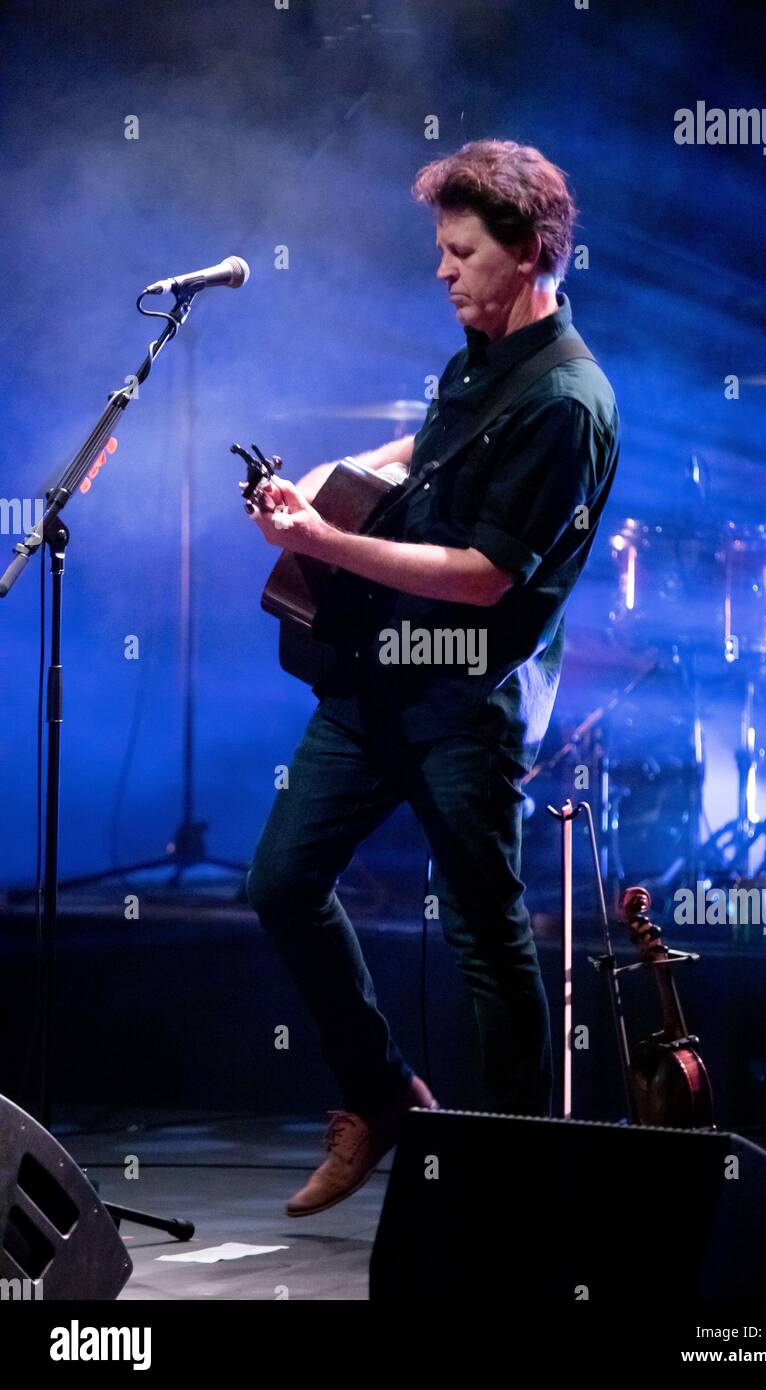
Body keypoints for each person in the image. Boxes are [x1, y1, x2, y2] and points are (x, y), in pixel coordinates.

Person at [245, 139, 620, 1216]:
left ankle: (504, 1179)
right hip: (374, 681)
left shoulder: (567, 401)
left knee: (485, 936)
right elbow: (434, 444)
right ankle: (382, 1097)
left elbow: (484, 575)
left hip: (464, 692)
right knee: (279, 883)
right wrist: (327, 484)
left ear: (530, 252)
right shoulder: (475, 354)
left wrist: (328, 542)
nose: (442, 270)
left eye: (461, 252)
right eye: (441, 250)